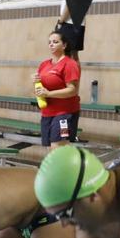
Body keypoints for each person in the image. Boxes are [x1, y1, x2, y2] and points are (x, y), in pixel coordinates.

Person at [36, 8, 83, 148]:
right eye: (49, 42)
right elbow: (39, 90)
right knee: (51, 151)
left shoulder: (69, 64)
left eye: (55, 42)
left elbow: (72, 90)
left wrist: (49, 94)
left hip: (64, 113)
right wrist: (36, 84)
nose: (51, 44)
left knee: (58, 149)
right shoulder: (44, 64)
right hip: (47, 113)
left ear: (64, 45)